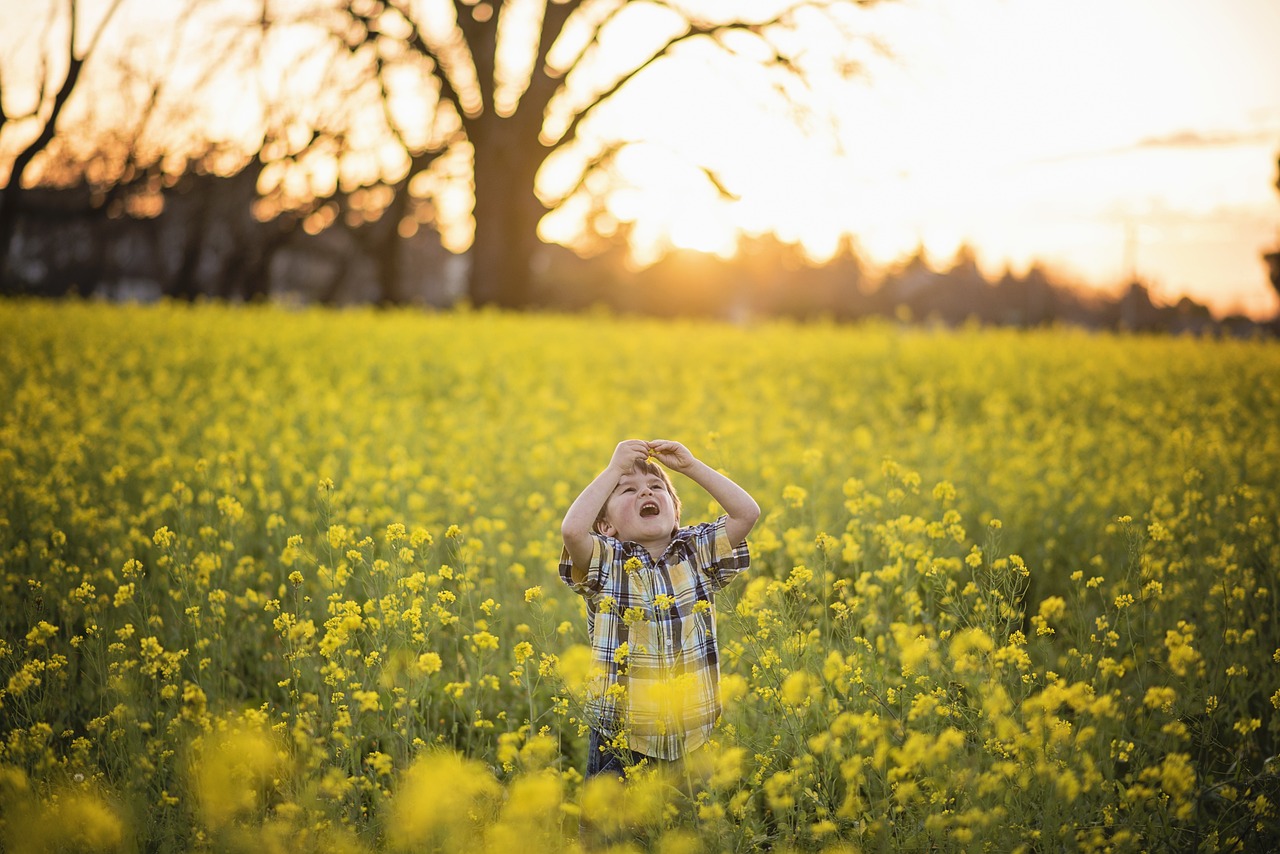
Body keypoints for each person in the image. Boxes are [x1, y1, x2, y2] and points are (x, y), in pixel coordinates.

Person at [559, 438, 760, 781]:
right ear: (607, 527)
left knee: (689, 833)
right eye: (628, 490)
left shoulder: (696, 553)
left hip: (693, 739)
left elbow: (747, 513)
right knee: (613, 834)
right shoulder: (607, 562)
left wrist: (690, 467)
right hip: (621, 742)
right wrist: (613, 470)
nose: (645, 493)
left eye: (656, 487)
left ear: (674, 513)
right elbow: (572, 530)